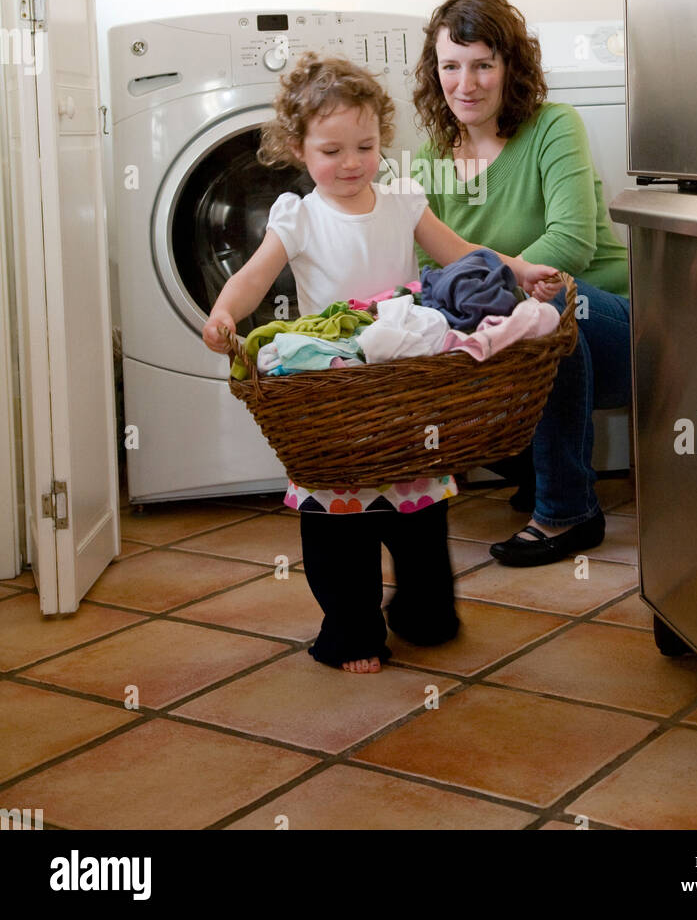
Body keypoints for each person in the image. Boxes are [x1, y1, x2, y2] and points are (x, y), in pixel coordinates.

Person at [202, 51, 560, 672]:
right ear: (299, 148)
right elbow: (255, 280)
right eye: (332, 151)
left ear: (382, 142)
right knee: (341, 521)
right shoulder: (300, 216)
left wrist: (520, 269)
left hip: (403, 381)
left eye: (364, 147)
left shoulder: (401, 200)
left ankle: (425, 610)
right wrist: (225, 315)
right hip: (338, 384)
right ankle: (352, 629)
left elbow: (461, 254)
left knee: (420, 503)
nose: (350, 164)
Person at [412, 0, 632, 567]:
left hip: (611, 325)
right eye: (451, 66)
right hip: (509, 326)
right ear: (435, 74)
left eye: (484, 63)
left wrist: (484, 288)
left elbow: (570, 244)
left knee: (547, 307)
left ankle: (568, 511)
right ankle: (539, 471)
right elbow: (431, 270)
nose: (467, 83)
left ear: (511, 66)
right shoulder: (428, 159)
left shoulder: (554, 127)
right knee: (423, 327)